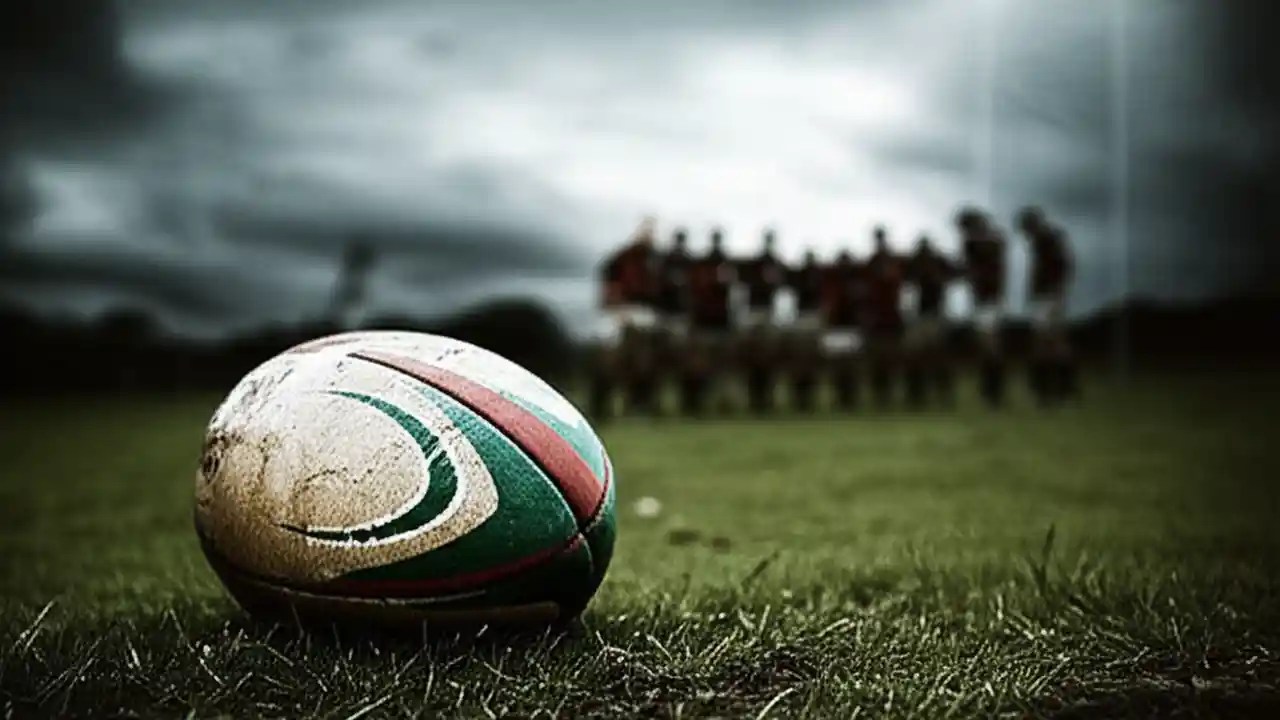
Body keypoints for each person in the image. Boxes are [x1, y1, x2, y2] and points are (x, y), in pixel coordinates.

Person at [596, 217, 660, 418]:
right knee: (610, 357)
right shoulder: (622, 258)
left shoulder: (653, 261)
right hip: (621, 311)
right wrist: (616, 307)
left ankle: (640, 404)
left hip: (644, 312)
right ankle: (602, 405)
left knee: (645, 360)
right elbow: (609, 284)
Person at [1017, 206, 1078, 405]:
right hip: (1047, 295)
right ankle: (1059, 389)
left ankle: (1049, 390)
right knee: (1053, 342)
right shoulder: (1044, 240)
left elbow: (1064, 265)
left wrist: (1057, 290)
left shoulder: (1048, 239)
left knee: (1046, 342)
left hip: (1049, 295)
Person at [904, 234, 961, 408]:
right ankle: (918, 395)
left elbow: (956, 275)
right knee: (916, 357)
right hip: (920, 316)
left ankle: (942, 393)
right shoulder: (915, 268)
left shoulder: (938, 267)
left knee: (938, 356)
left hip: (935, 315)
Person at [958, 207, 1007, 407]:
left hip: (990, 299)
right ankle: (990, 391)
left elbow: (987, 256)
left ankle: (993, 392)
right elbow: (967, 268)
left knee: (990, 345)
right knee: (986, 345)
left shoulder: (990, 241)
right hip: (981, 299)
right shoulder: (973, 243)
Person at [684, 227, 736, 416]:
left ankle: (722, 404)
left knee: (721, 368)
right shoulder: (703, 266)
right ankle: (699, 404)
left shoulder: (726, 264)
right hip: (705, 323)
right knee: (702, 367)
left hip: (720, 323)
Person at [736, 228, 786, 413]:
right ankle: (754, 398)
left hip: (768, 312)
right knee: (752, 356)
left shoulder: (775, 263)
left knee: (769, 357)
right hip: (754, 312)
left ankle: (767, 398)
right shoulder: (756, 263)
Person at [863, 226, 905, 409]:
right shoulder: (872, 261)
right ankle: (880, 395)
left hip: (891, 316)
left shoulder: (892, 260)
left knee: (891, 358)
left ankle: (888, 395)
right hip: (876, 317)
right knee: (877, 359)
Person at [821, 247, 865, 411]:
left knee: (851, 367)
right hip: (836, 328)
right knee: (837, 367)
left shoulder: (856, 282)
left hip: (851, 328)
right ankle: (840, 398)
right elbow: (829, 307)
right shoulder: (833, 282)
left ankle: (850, 399)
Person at [784, 249, 826, 412]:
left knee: (811, 361)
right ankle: (800, 397)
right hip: (802, 317)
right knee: (800, 360)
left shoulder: (818, 277)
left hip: (813, 316)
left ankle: (808, 398)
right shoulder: (800, 277)